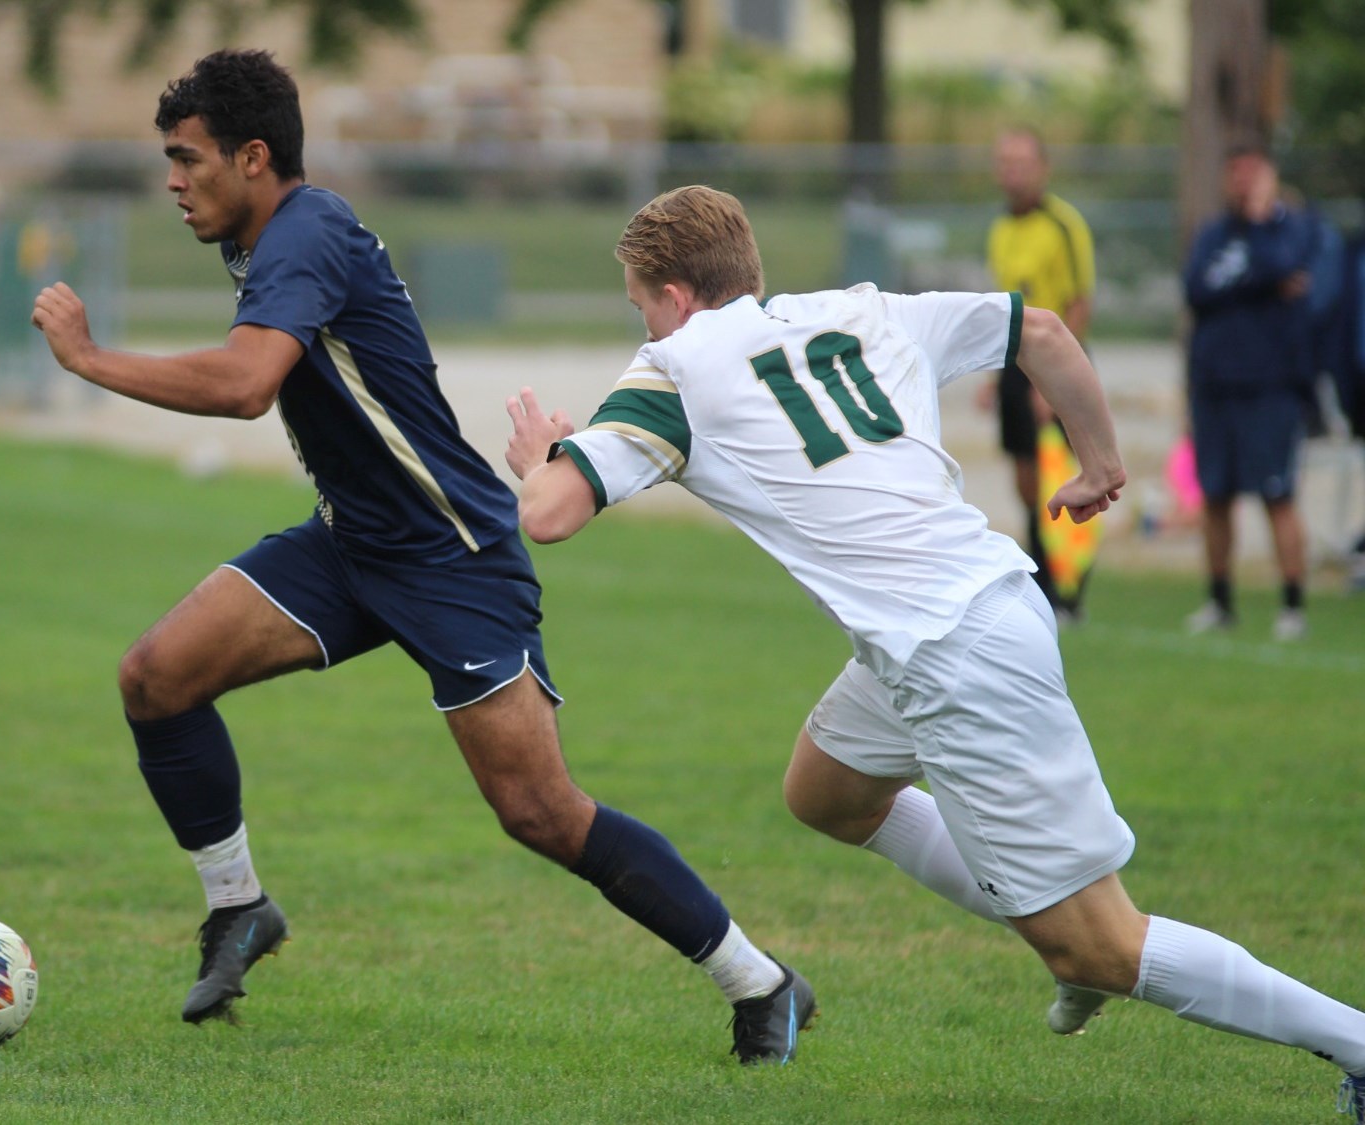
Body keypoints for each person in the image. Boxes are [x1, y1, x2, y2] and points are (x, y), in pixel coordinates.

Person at [505, 184, 1365, 1118]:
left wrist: (542, 458)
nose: (644, 321)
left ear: (671, 297)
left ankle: (1341, 1039)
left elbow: (548, 517)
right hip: (976, 606)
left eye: (639, 302)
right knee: (826, 789)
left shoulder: (675, 367)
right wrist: (1102, 463)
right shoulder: (865, 311)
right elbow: (1042, 332)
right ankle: (1053, 922)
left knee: (1104, 942)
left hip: (951, 655)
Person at [31, 50, 814, 1060]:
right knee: (156, 677)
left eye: (187, 160)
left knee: (538, 812)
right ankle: (238, 909)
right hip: (352, 542)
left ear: (254, 157)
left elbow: (243, 384)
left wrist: (91, 360)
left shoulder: (304, 228)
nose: (172, 182)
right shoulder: (272, 233)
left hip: (452, 553)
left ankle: (759, 983)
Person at [1181, 143, 1320, 640]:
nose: (1242, 182)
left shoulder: (1294, 227)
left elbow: (1288, 269)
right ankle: (1219, 601)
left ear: (1270, 176)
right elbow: (1196, 290)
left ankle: (1292, 606)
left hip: (1271, 387)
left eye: (1252, 172)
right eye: (1234, 172)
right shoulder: (1213, 233)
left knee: (1276, 493)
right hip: (1216, 385)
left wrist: (1261, 227)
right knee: (1215, 495)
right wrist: (1259, 284)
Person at [985, 125, 1096, 621]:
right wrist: (993, 377)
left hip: (1056, 367)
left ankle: (1072, 586)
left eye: (1022, 162)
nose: (1013, 172)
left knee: (1065, 472)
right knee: (1025, 475)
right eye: (1006, 162)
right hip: (1015, 366)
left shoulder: (1064, 225)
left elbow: (1079, 303)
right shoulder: (1001, 230)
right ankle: (1042, 577)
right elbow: (1003, 309)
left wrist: (1055, 380)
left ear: (1042, 168)